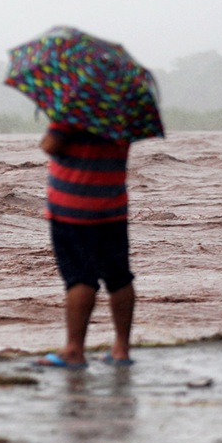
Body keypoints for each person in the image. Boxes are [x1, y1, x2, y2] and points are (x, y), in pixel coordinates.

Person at [35, 120, 136, 368]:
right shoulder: (125, 112)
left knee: (79, 277)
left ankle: (73, 350)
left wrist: (52, 130)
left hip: (73, 209)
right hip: (112, 206)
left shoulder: (74, 109)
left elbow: (51, 145)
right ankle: (121, 349)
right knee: (119, 276)